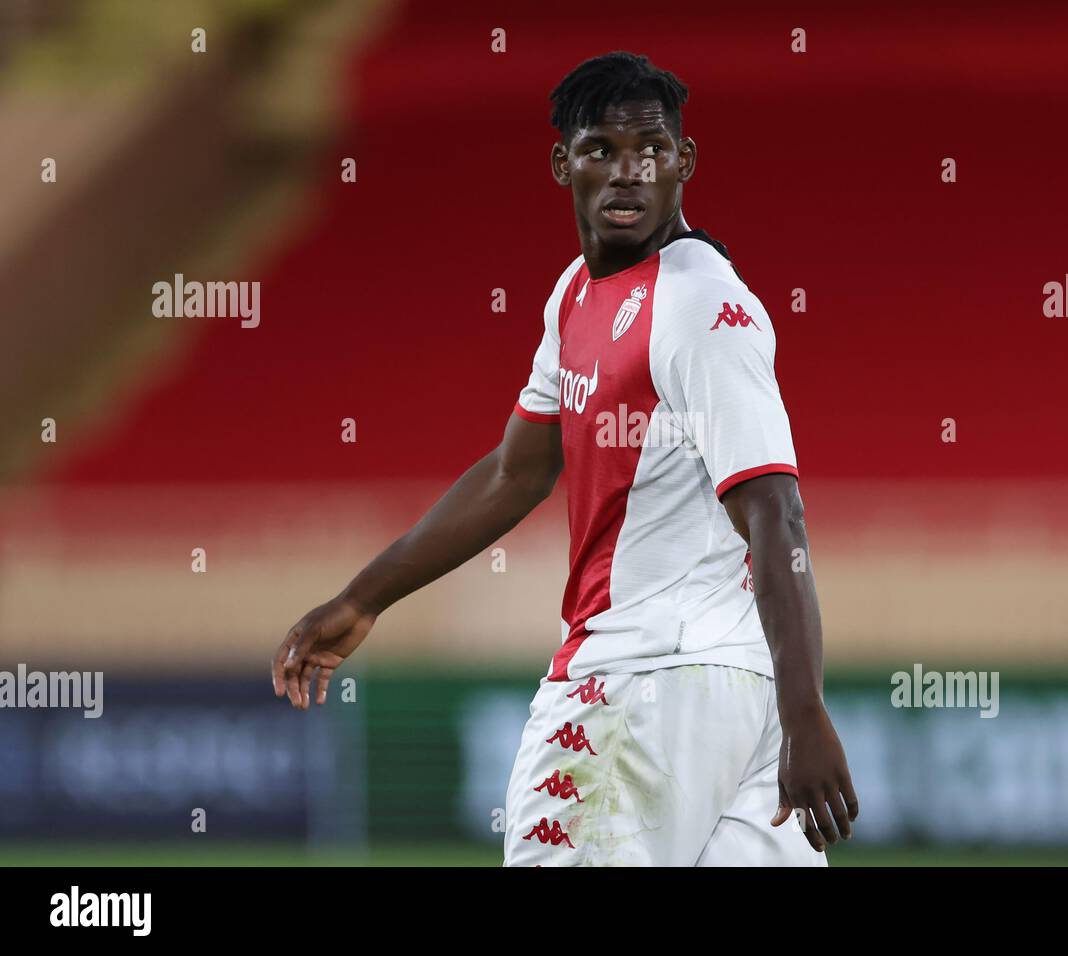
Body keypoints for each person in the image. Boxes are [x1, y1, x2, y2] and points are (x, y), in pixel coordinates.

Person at [272, 50, 856, 867]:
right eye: (601, 150)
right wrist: (365, 599)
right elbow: (518, 470)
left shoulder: (698, 303)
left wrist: (807, 711)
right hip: (728, 696)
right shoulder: (577, 294)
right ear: (563, 164)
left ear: (683, 163)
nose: (628, 172)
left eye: (650, 150)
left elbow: (774, 509)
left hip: (641, 688)